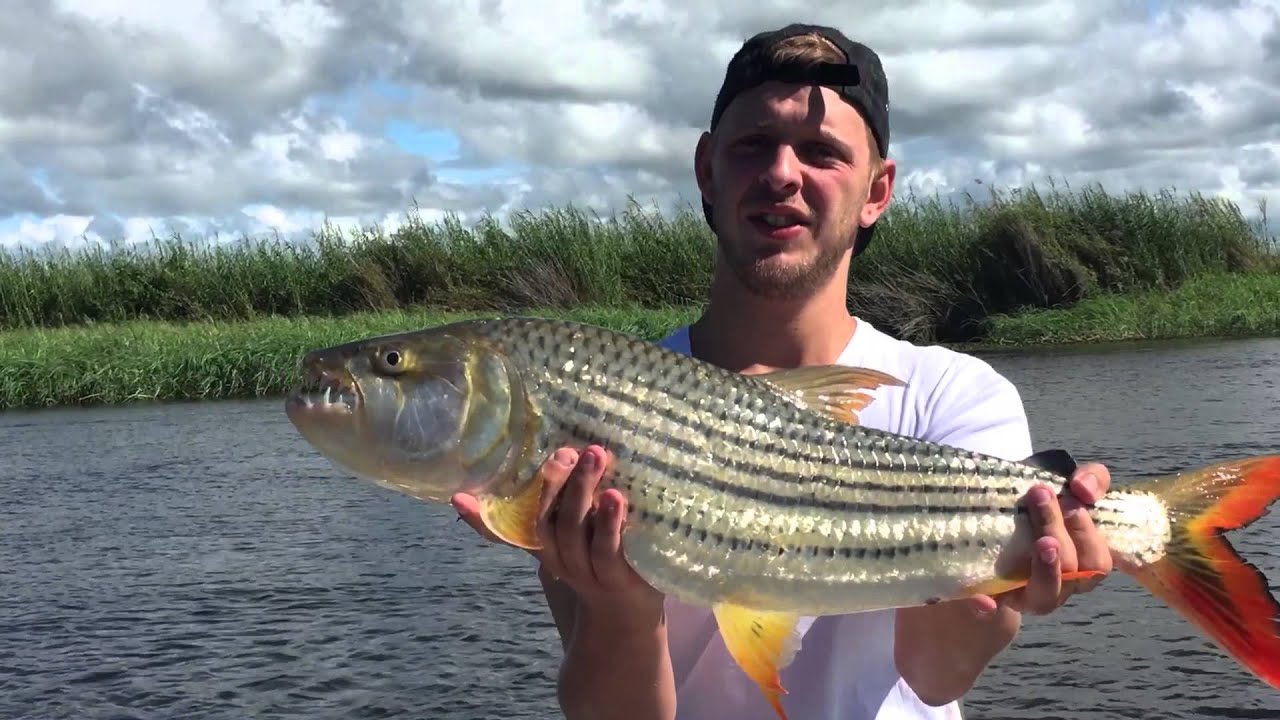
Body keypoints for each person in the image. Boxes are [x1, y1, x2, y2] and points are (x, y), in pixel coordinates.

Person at [452, 22, 1115, 720]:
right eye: (753, 145)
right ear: (707, 169)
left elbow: (932, 674)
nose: (781, 173)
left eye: (822, 151)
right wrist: (619, 605)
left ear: (877, 190)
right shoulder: (598, 403)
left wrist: (1002, 589)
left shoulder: (952, 395)